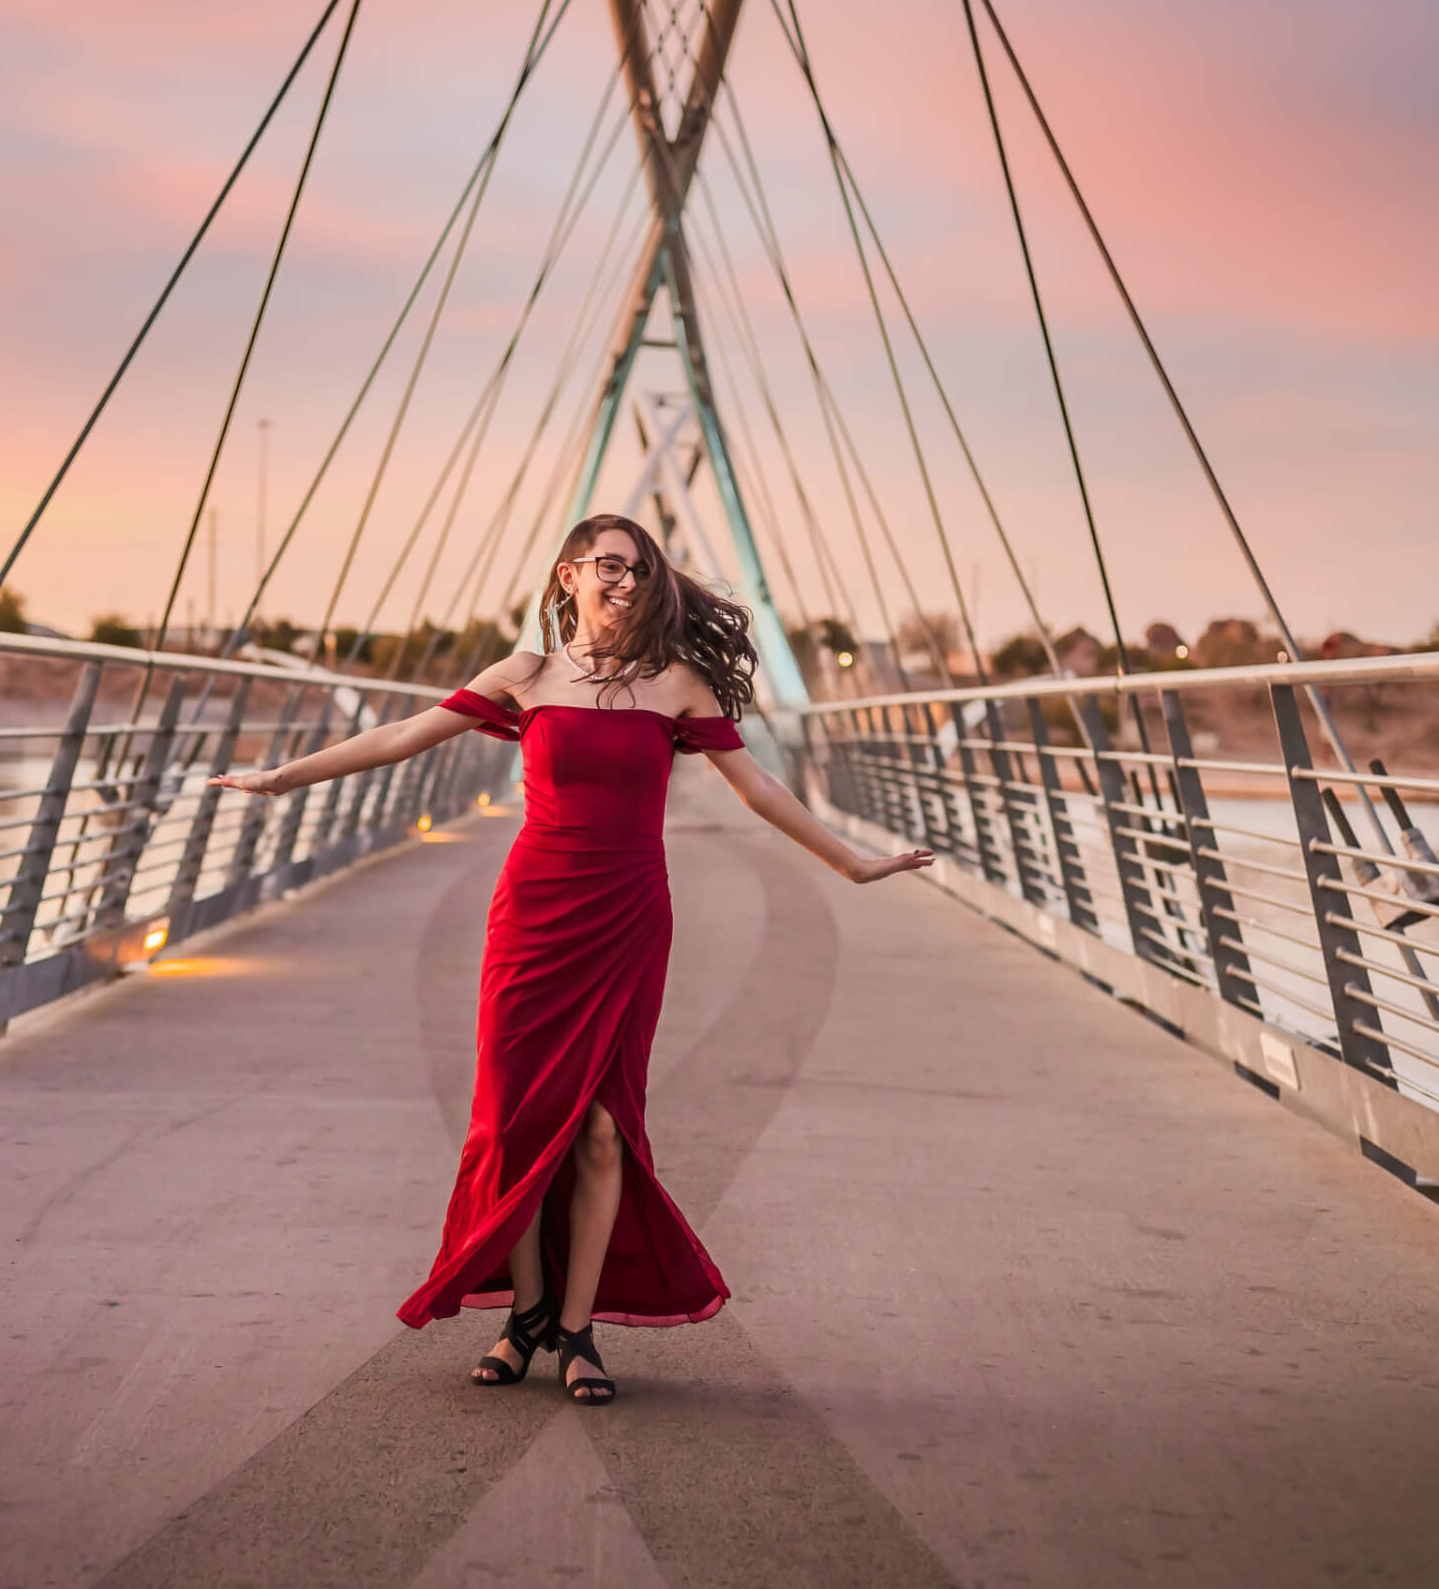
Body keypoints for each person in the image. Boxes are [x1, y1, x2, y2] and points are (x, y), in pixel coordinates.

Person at [209, 514, 931, 1405]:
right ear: (567, 575)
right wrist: (280, 778)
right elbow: (401, 736)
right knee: (516, 1122)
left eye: (640, 570)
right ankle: (526, 1318)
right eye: (609, 567)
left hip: (628, 915)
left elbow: (757, 786)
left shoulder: (678, 685)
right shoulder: (526, 676)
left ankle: (577, 1334)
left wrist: (852, 861)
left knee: (601, 1127)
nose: (626, 583)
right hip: (534, 915)